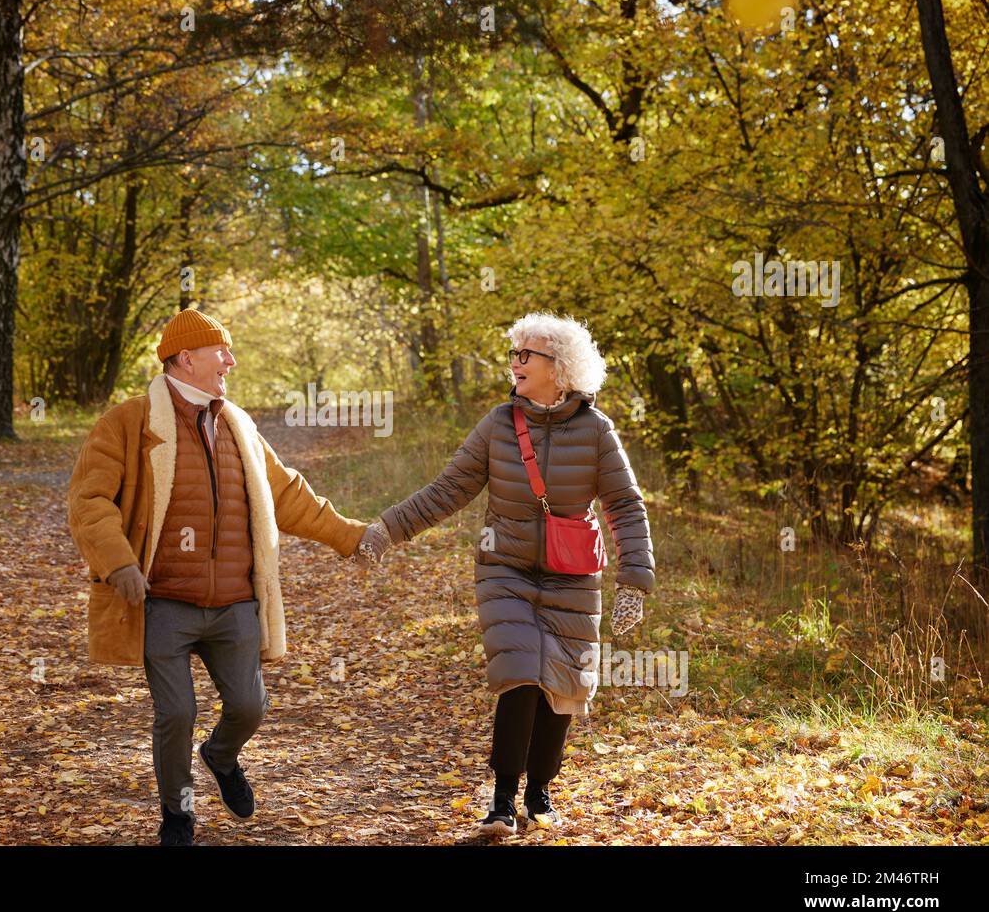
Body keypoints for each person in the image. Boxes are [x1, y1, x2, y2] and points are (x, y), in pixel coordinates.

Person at [66, 308, 373, 845]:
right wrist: (118, 563)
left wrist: (351, 536)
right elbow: (89, 500)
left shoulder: (239, 425)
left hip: (235, 603)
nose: (230, 361)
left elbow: (289, 495)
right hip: (163, 602)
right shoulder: (128, 422)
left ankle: (222, 756)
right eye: (220, 352)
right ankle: (178, 816)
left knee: (251, 706)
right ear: (186, 359)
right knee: (176, 713)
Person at [358, 312, 655, 835]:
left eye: (526, 355)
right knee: (519, 673)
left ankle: (539, 791)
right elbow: (447, 490)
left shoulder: (595, 430)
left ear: (559, 367)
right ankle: (499, 802)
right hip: (506, 571)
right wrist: (385, 530)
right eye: (513, 354)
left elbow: (625, 506)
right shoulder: (499, 424)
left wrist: (634, 579)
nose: (515, 363)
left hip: (573, 574)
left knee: (563, 689)